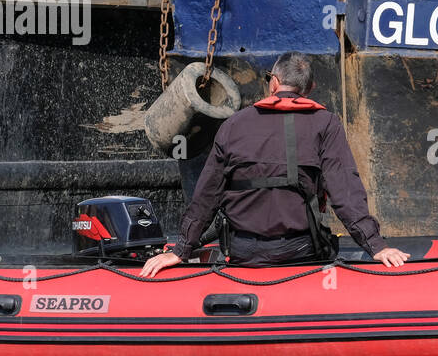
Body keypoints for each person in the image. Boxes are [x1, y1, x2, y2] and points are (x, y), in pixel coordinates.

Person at [141, 52, 409, 276]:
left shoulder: (233, 125)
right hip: (298, 252)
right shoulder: (325, 124)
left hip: (243, 253)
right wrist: (376, 245)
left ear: (274, 83)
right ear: (309, 89)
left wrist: (181, 250)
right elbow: (345, 191)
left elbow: (206, 195)